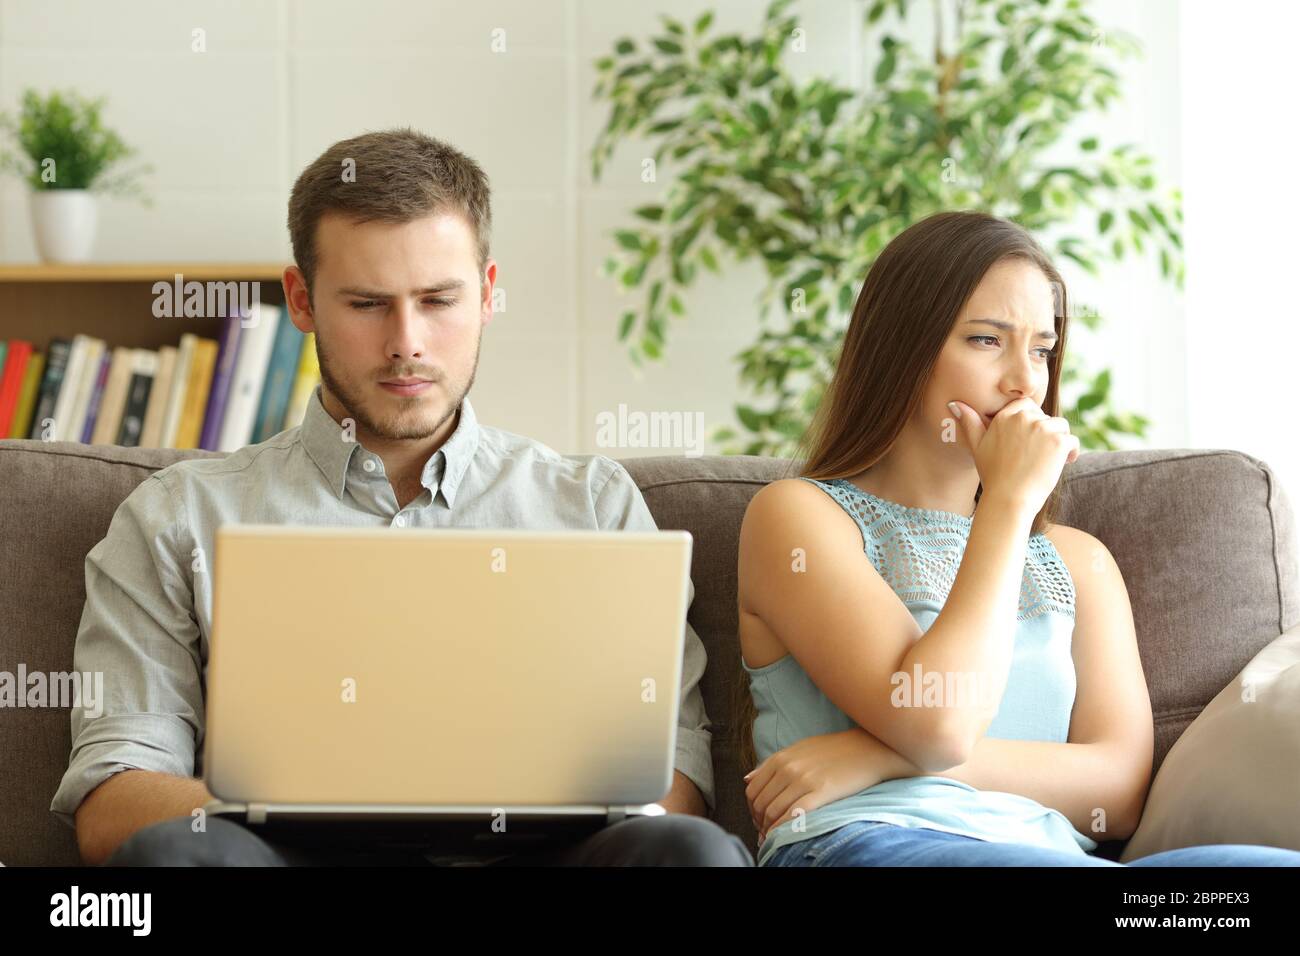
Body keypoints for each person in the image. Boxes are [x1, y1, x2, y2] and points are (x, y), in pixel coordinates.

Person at [51, 128, 751, 868]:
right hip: (283, 863)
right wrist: (336, 806)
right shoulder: (176, 515)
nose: (406, 341)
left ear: (486, 294)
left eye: (439, 300)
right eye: (366, 304)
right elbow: (114, 805)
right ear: (302, 300)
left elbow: (675, 789)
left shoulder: (594, 506)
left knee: (687, 851)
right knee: (173, 856)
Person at [735, 210, 1300, 867]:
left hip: (1051, 856)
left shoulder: (1078, 562)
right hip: (871, 842)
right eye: (985, 340)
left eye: (1040, 348)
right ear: (902, 351)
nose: (1025, 381)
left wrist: (873, 755)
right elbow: (938, 721)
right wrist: (1007, 501)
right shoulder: (800, 518)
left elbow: (1116, 791)